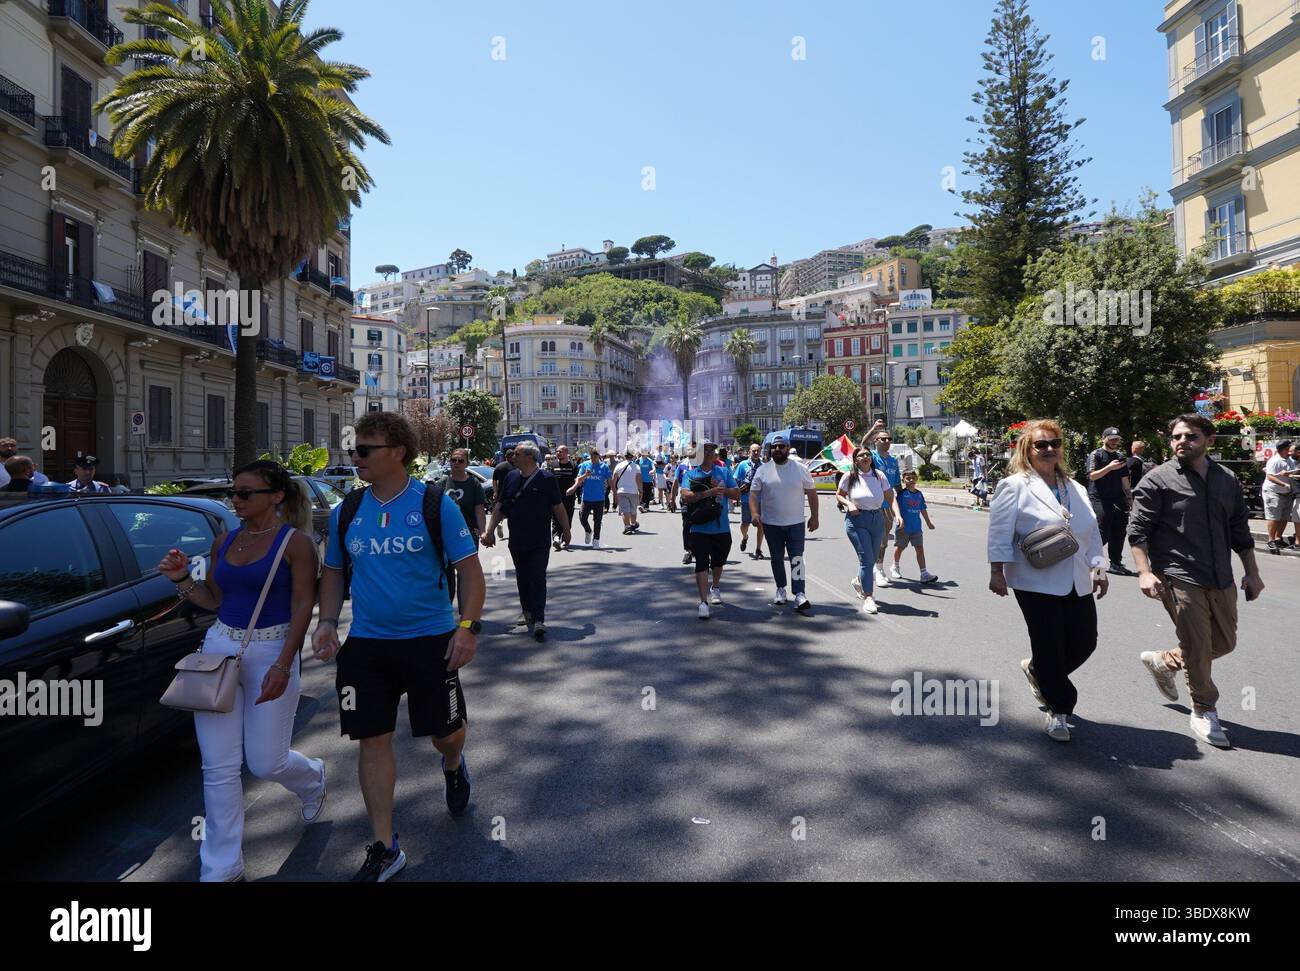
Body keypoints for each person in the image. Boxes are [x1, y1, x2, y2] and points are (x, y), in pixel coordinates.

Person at [312, 412, 485, 882]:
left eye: (365, 449)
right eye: (354, 449)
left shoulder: (434, 504)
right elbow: (333, 572)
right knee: (373, 739)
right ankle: (385, 846)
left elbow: (470, 571)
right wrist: (328, 621)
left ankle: (453, 763)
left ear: (398, 452)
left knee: (444, 734)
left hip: (431, 641)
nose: (356, 456)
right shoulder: (346, 509)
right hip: (367, 646)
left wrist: (467, 628)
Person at [158, 460, 325, 882]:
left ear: (276, 496)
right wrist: (181, 580)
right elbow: (214, 600)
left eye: (245, 493)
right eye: (233, 492)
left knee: (267, 762)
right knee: (218, 766)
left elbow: (303, 606)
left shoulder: (296, 544)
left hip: (271, 649)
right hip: (218, 652)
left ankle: (312, 778)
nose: (236, 499)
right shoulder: (223, 542)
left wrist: (285, 664)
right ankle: (221, 865)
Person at [1129, 414, 1263, 749]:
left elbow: (1240, 531)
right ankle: (1204, 710)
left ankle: (1165, 661)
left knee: (1225, 642)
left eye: (1190, 436)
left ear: (1209, 440)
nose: (1181, 442)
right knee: (1200, 644)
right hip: (1178, 575)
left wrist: (1253, 572)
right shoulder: (1158, 480)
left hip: (1221, 575)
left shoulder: (1227, 479)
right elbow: (1138, 531)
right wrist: (1144, 572)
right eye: (1176, 437)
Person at [987, 419, 1108, 743]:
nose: (1049, 449)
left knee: (1085, 641)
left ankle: (1040, 671)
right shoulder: (1014, 486)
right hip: (1034, 579)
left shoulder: (1076, 488)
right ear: (1028, 449)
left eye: (1054, 443)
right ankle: (1059, 709)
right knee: (1049, 643)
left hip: (1077, 577)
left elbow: (1091, 533)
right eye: (1041, 444)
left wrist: (1099, 566)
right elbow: (999, 532)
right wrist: (997, 570)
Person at [484, 441, 569, 641]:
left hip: (540, 539)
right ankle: (527, 611)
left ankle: (539, 619)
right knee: (522, 577)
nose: (513, 456)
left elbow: (558, 507)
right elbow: (500, 507)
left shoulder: (547, 478)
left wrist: (566, 530)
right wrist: (489, 531)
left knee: (537, 577)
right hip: (517, 539)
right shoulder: (511, 477)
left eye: (517, 453)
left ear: (530, 457)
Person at [749, 435, 818, 611]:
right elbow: (754, 494)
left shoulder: (800, 468)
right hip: (771, 524)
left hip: (796, 523)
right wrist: (755, 513)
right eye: (775, 447)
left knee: (797, 559)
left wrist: (815, 516)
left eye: (781, 446)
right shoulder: (763, 470)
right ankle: (781, 589)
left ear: (788, 448)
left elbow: (811, 492)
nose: (777, 449)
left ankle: (800, 594)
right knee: (777, 559)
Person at [680, 443, 739, 620]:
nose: (710, 453)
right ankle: (703, 602)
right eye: (706, 450)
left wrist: (722, 490)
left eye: (712, 450)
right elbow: (685, 496)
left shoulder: (724, 471)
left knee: (719, 562)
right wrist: (709, 492)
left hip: (721, 527)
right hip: (699, 527)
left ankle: (716, 586)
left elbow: (736, 494)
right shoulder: (691, 474)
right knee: (702, 564)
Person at [837, 447, 893, 616]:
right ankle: (869, 597)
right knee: (866, 559)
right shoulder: (850, 476)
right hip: (857, 520)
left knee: (872, 559)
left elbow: (890, 496)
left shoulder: (879, 475)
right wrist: (850, 504)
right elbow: (839, 495)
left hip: (877, 520)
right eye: (861, 455)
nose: (865, 457)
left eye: (867, 454)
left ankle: (859, 580)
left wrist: (897, 514)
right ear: (855, 460)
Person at [437, 448, 488, 617]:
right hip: (444, 536)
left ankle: (465, 614)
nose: (456, 463)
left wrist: (483, 532)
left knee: (466, 575)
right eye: (454, 460)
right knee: (446, 573)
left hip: (467, 536)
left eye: (460, 460)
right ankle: (445, 612)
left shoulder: (473, 484)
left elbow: (479, 509)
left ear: (466, 463)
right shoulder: (442, 483)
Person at [861, 421, 903, 588]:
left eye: (888, 439)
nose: (886, 441)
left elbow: (897, 485)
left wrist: (903, 505)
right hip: (873, 505)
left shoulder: (893, 461)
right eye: (882, 439)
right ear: (876, 442)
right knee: (875, 540)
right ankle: (872, 569)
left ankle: (878, 568)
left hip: (888, 507)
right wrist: (873, 428)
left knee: (883, 541)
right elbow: (863, 444)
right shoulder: (872, 458)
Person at [1087, 427, 1134, 576]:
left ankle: (1116, 563)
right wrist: (1109, 467)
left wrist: (1129, 499)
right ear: (1104, 438)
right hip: (1099, 499)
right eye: (1112, 439)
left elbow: (1125, 480)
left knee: (1119, 532)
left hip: (1118, 499)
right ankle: (1090, 560)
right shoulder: (1096, 455)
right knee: (1102, 532)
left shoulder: (1120, 456)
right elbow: (1092, 476)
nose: (1115, 442)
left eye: (1117, 439)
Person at [891, 469, 938, 583]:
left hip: (916, 527)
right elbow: (894, 506)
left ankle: (924, 573)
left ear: (916, 479)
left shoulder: (919, 494)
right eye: (908, 478)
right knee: (900, 548)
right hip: (903, 527)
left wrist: (928, 522)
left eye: (913, 478)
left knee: (920, 549)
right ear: (903, 480)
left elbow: (922, 509)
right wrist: (895, 519)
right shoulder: (902, 494)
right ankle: (895, 567)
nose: (911, 480)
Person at [1261, 440, 1299, 554]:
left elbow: (1291, 473)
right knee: (1274, 517)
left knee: (1284, 517)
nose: (1291, 450)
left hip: (1286, 493)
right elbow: (1270, 476)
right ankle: (1270, 540)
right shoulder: (1275, 460)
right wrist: (1283, 484)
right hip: (1273, 492)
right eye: (1289, 448)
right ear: (1285, 449)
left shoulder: (1289, 460)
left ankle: (1278, 538)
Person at [570, 451, 612, 548]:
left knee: (597, 521)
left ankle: (596, 540)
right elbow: (578, 479)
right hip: (586, 498)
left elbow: (610, 481)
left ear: (599, 456)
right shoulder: (585, 465)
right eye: (591, 457)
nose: (593, 459)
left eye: (595, 457)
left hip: (599, 499)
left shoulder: (604, 466)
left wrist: (616, 495)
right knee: (582, 518)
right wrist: (585, 475)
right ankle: (588, 530)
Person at [735, 443, 766, 559]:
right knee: (745, 524)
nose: (756, 453)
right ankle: (745, 537)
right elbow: (735, 479)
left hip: (760, 499)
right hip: (746, 499)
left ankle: (758, 549)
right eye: (754, 451)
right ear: (749, 452)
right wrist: (737, 491)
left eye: (758, 450)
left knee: (760, 524)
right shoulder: (743, 465)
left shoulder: (764, 466)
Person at [550, 445, 579, 551]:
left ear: (566, 452)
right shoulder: (553, 465)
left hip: (569, 498)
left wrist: (573, 488)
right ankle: (556, 538)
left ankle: (564, 537)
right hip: (555, 498)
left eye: (560, 451)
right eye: (557, 451)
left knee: (567, 518)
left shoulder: (573, 465)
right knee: (555, 519)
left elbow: (577, 480)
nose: (558, 453)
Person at [613, 450, 642, 534]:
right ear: (632, 456)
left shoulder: (619, 466)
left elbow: (613, 480)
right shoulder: (636, 467)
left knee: (625, 510)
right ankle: (633, 524)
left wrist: (614, 491)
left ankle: (627, 527)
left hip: (621, 491)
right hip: (633, 491)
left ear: (624, 456)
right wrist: (641, 491)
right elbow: (639, 480)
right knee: (633, 510)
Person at [675, 451, 696, 564]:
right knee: (687, 524)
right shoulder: (682, 466)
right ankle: (688, 551)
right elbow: (676, 482)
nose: (692, 457)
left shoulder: (701, 465)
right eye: (690, 455)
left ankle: (699, 549)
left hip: (699, 500)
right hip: (686, 500)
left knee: (699, 524)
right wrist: (672, 499)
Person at [491, 448, 516, 540]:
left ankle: (500, 523)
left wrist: (495, 492)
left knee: (500, 511)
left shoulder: (499, 466)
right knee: (512, 513)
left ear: (505, 457)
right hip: (512, 493)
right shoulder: (516, 466)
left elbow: (494, 481)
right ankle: (513, 532)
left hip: (501, 493)